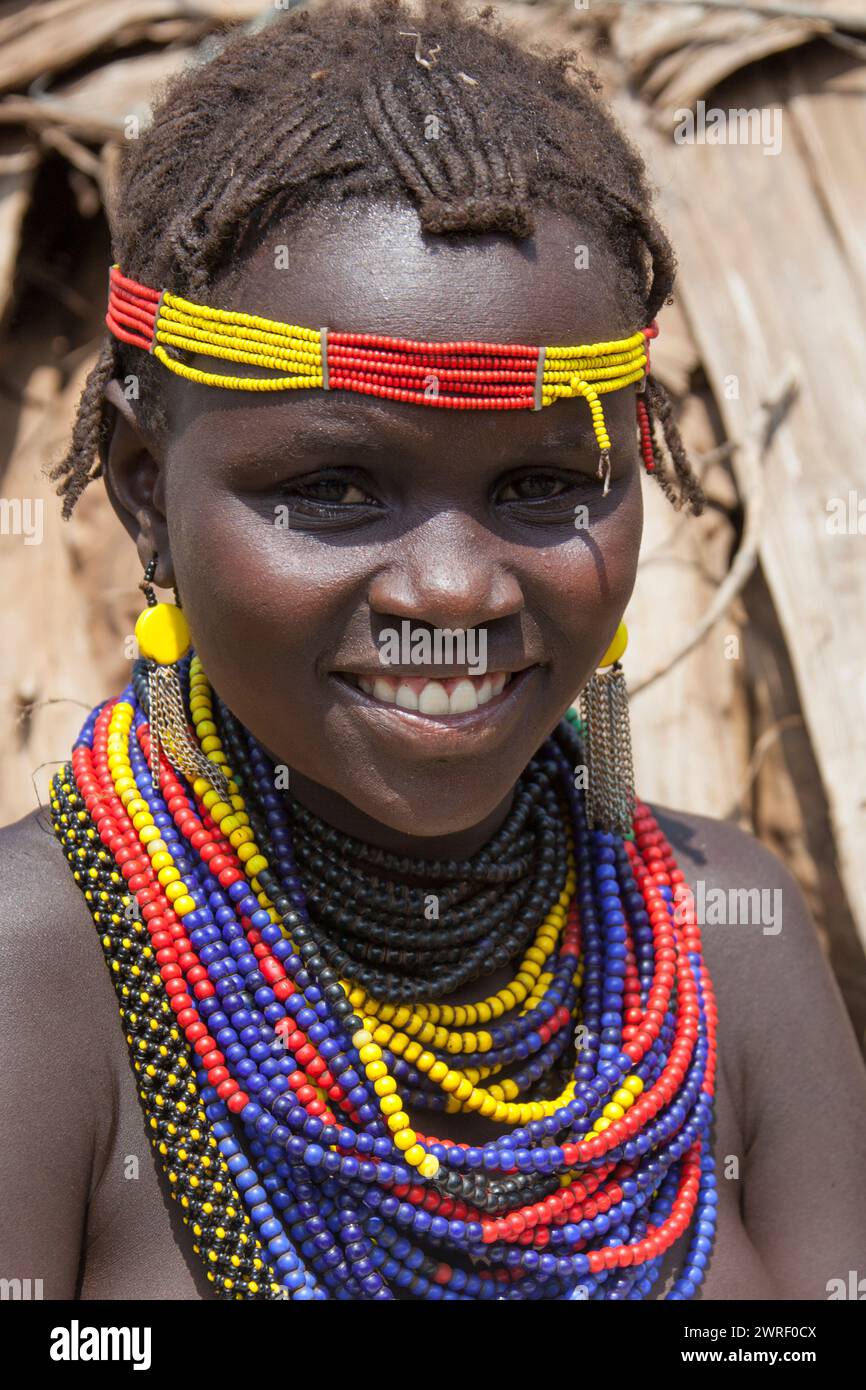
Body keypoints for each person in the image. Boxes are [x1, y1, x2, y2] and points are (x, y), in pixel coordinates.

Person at [1, 0, 864, 1301]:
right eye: (338, 486)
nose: (453, 588)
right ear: (139, 491)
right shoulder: (43, 967)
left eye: (539, 483)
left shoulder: (721, 932)